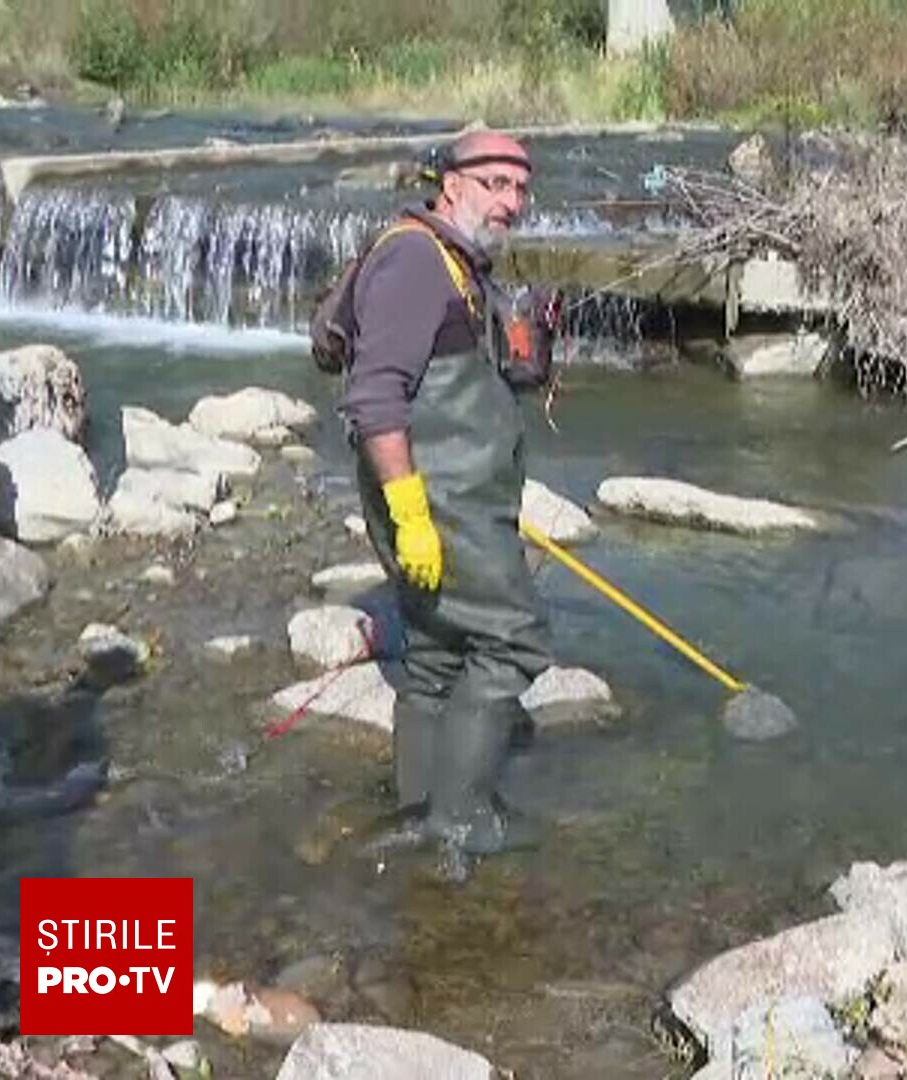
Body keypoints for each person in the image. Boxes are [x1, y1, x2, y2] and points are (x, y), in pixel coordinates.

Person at [338, 131, 558, 870]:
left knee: (434, 655)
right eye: (495, 182)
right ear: (450, 183)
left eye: (521, 188)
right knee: (511, 641)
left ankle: (419, 814)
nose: (512, 201)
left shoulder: (454, 260)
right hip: (440, 503)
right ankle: (460, 820)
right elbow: (374, 397)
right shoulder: (412, 259)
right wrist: (410, 517)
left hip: (456, 495)